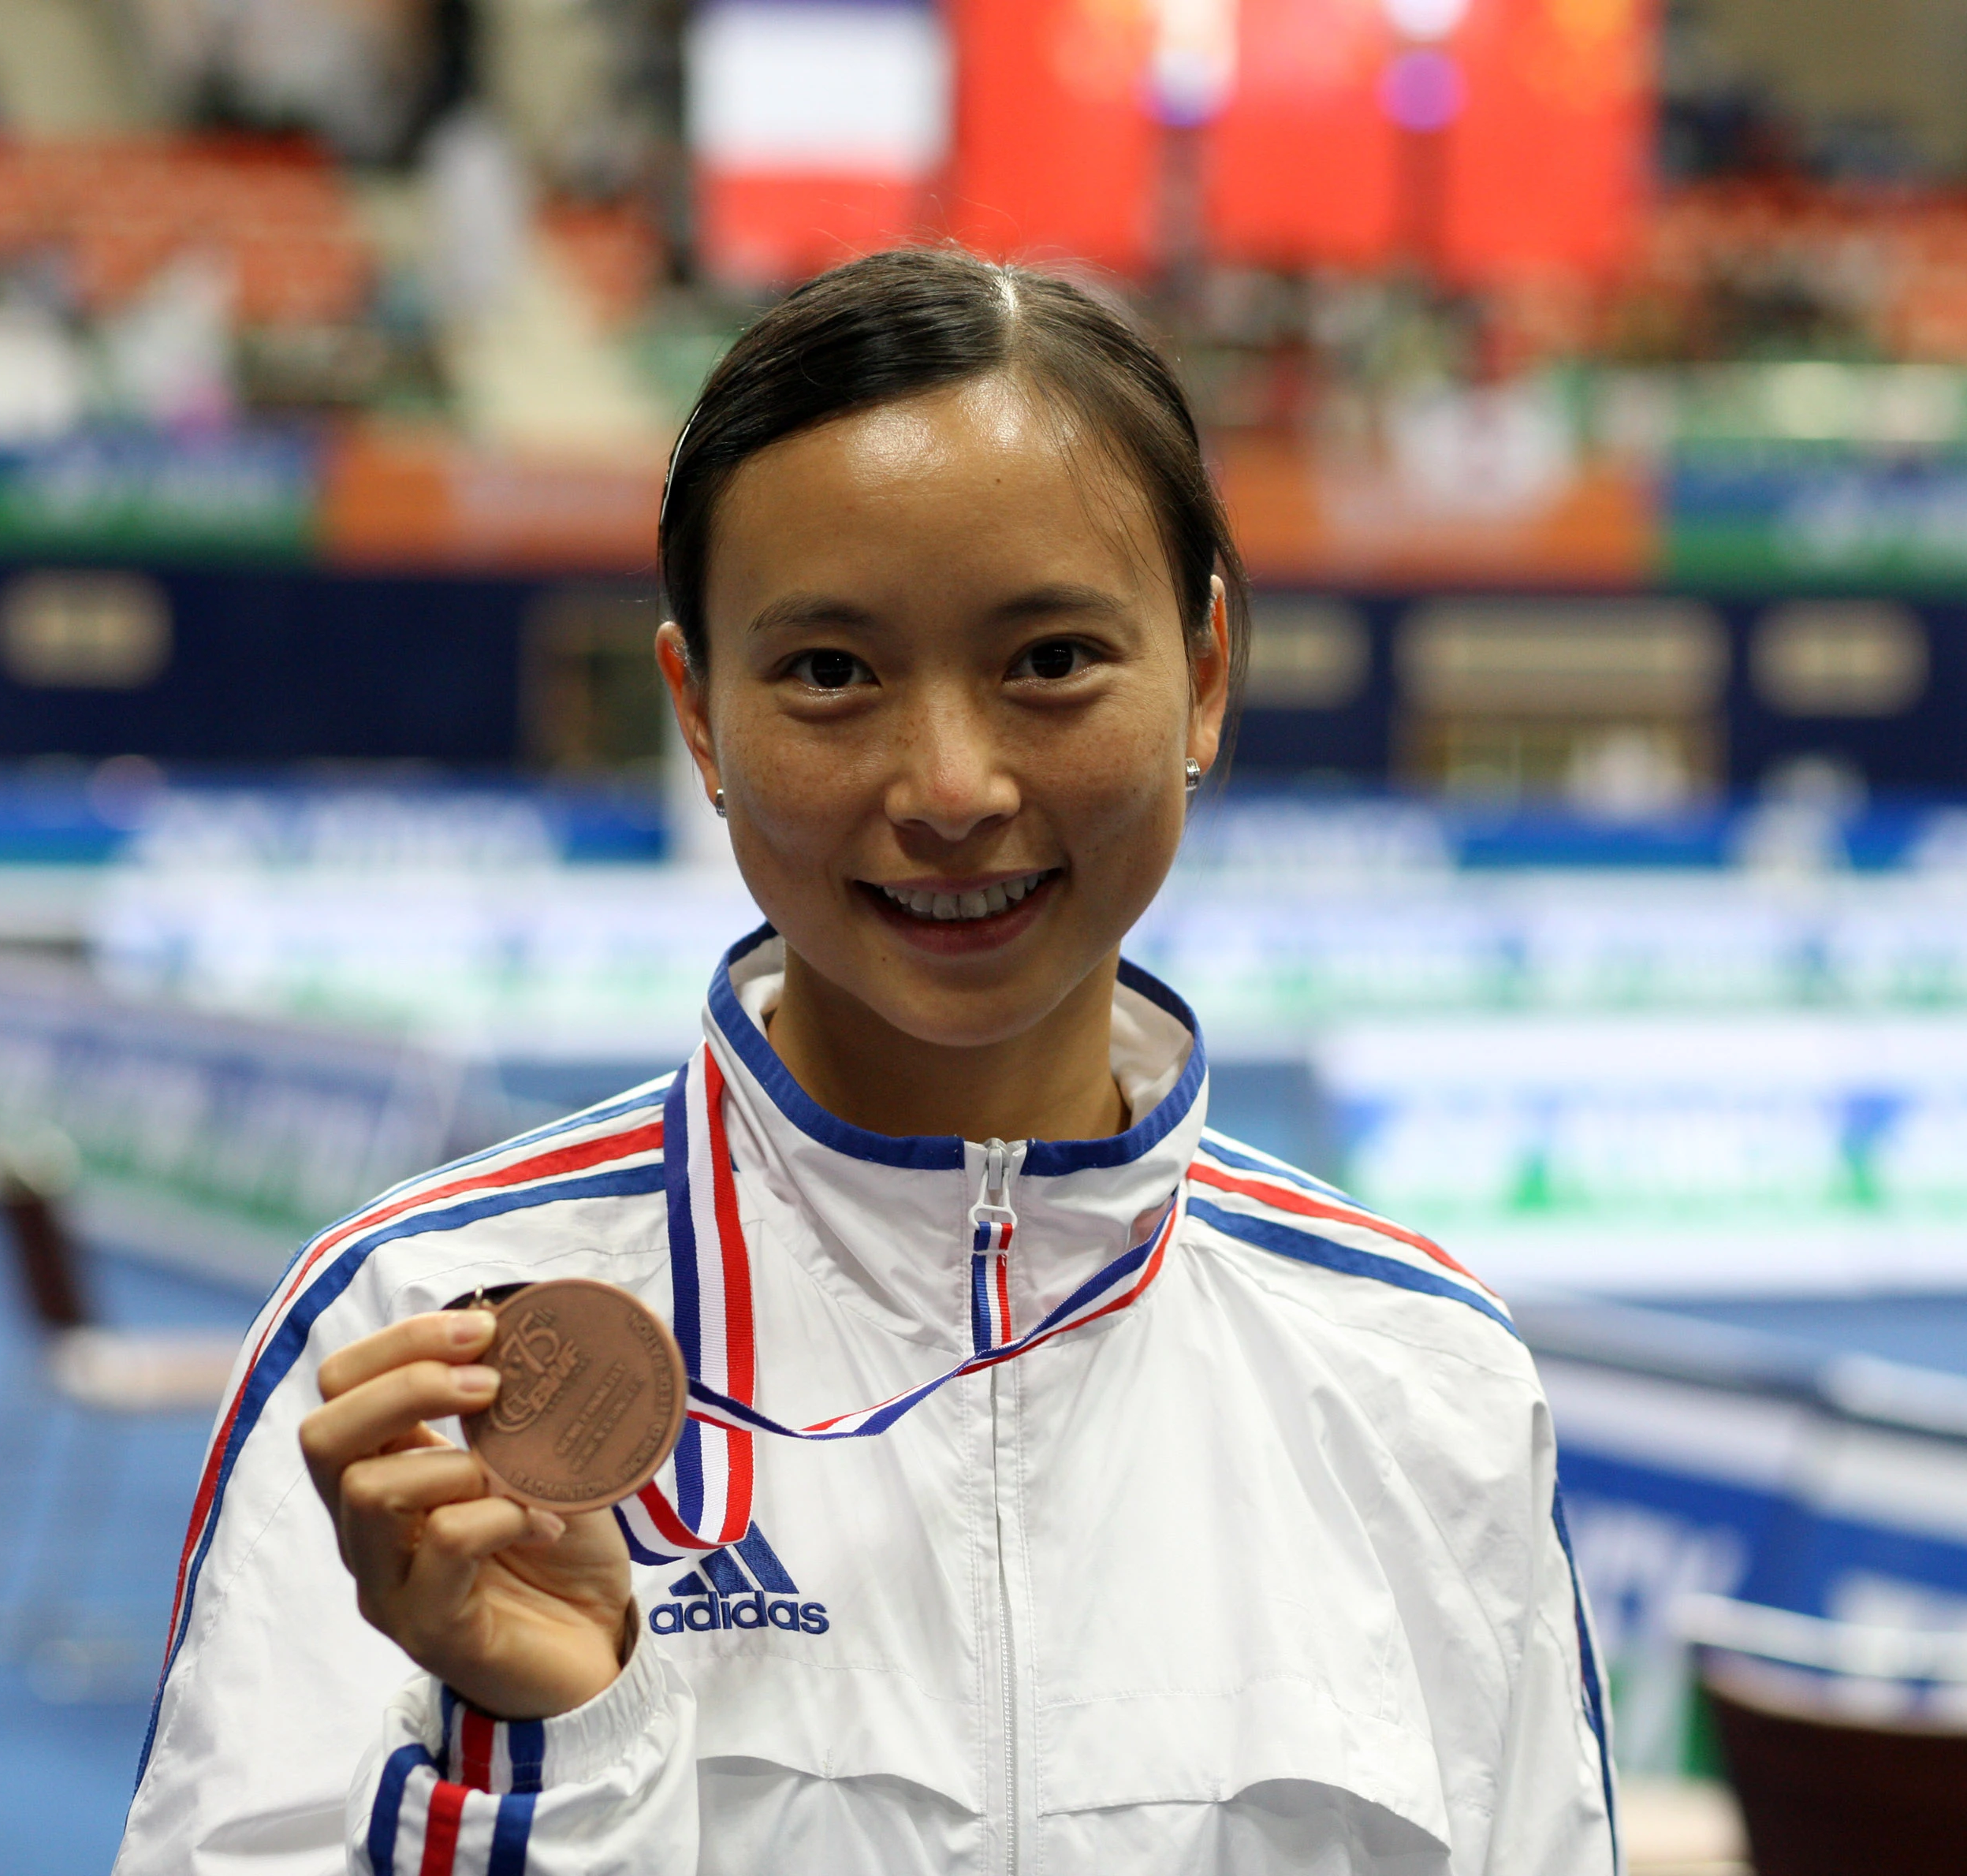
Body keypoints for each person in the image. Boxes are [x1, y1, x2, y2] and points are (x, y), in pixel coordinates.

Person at [117, 248, 1615, 1876]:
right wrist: (530, 1757)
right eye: (830, 672)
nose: (952, 784)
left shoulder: (1423, 1376)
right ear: (697, 716)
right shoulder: (416, 1341)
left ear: (1200, 673)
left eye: (1047, 659)